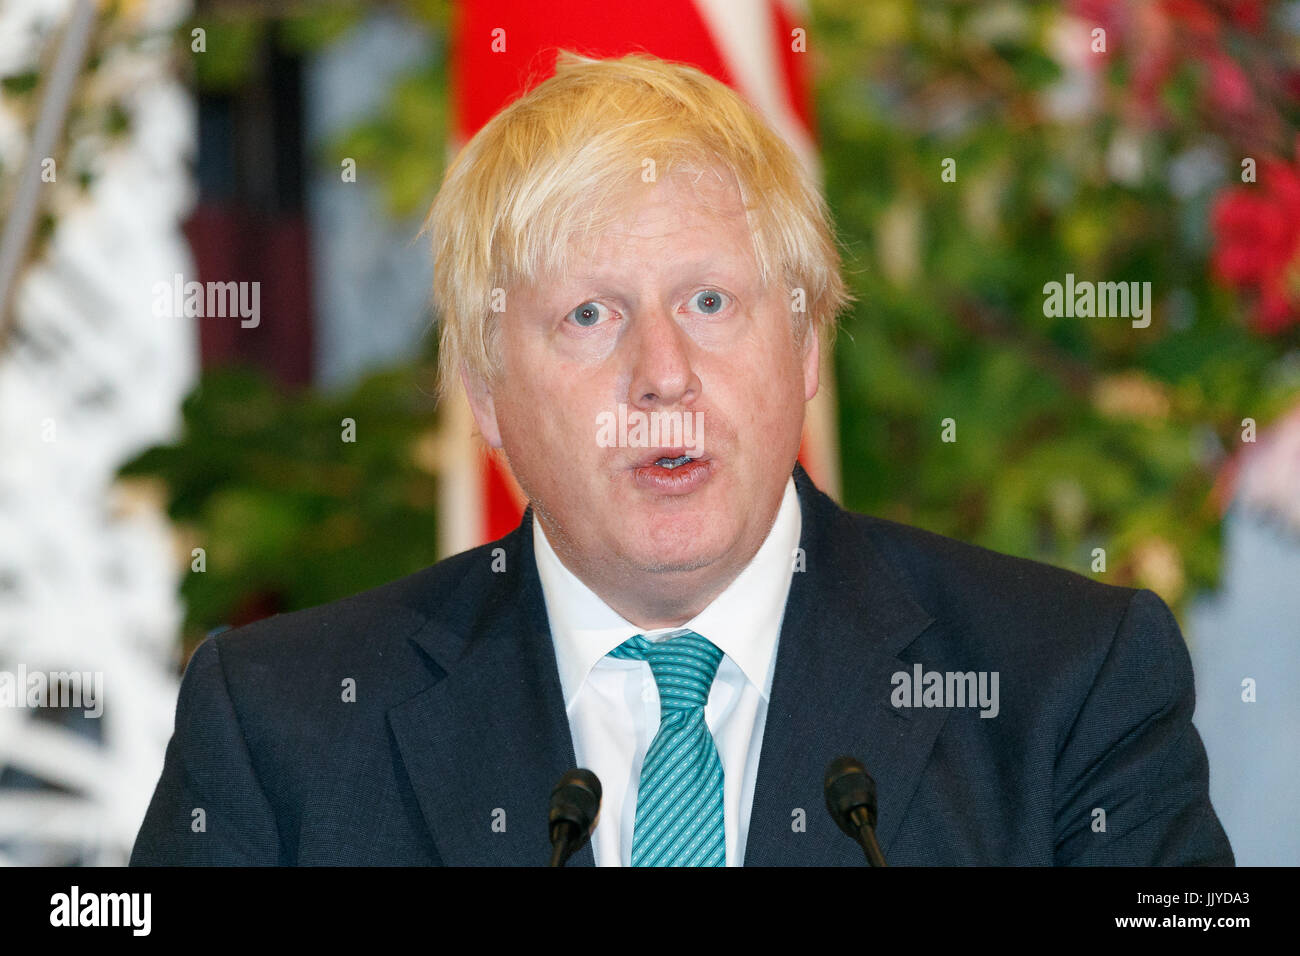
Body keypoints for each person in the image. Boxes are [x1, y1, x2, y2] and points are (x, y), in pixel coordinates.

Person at [131, 52, 1233, 866]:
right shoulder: (280, 729)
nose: (662, 372)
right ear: (482, 390)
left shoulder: (1065, 689)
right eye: (588, 314)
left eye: (711, 300)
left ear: (805, 343)